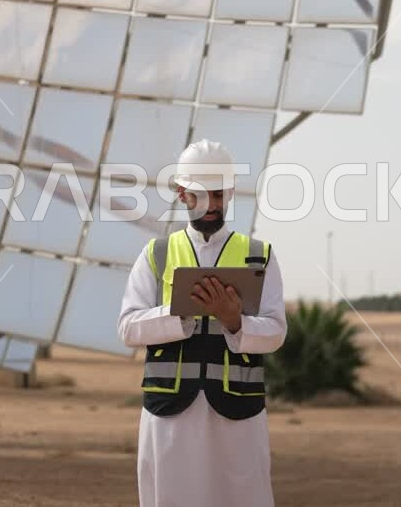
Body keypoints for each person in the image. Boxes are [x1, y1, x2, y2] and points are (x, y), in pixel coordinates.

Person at [117, 139, 287, 507]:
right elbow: (129, 328)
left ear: (230, 193)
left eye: (219, 194)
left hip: (238, 418)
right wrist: (179, 315)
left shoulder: (260, 256)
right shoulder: (156, 255)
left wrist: (235, 322)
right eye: (200, 194)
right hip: (170, 417)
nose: (211, 205)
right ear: (181, 193)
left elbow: (275, 331)